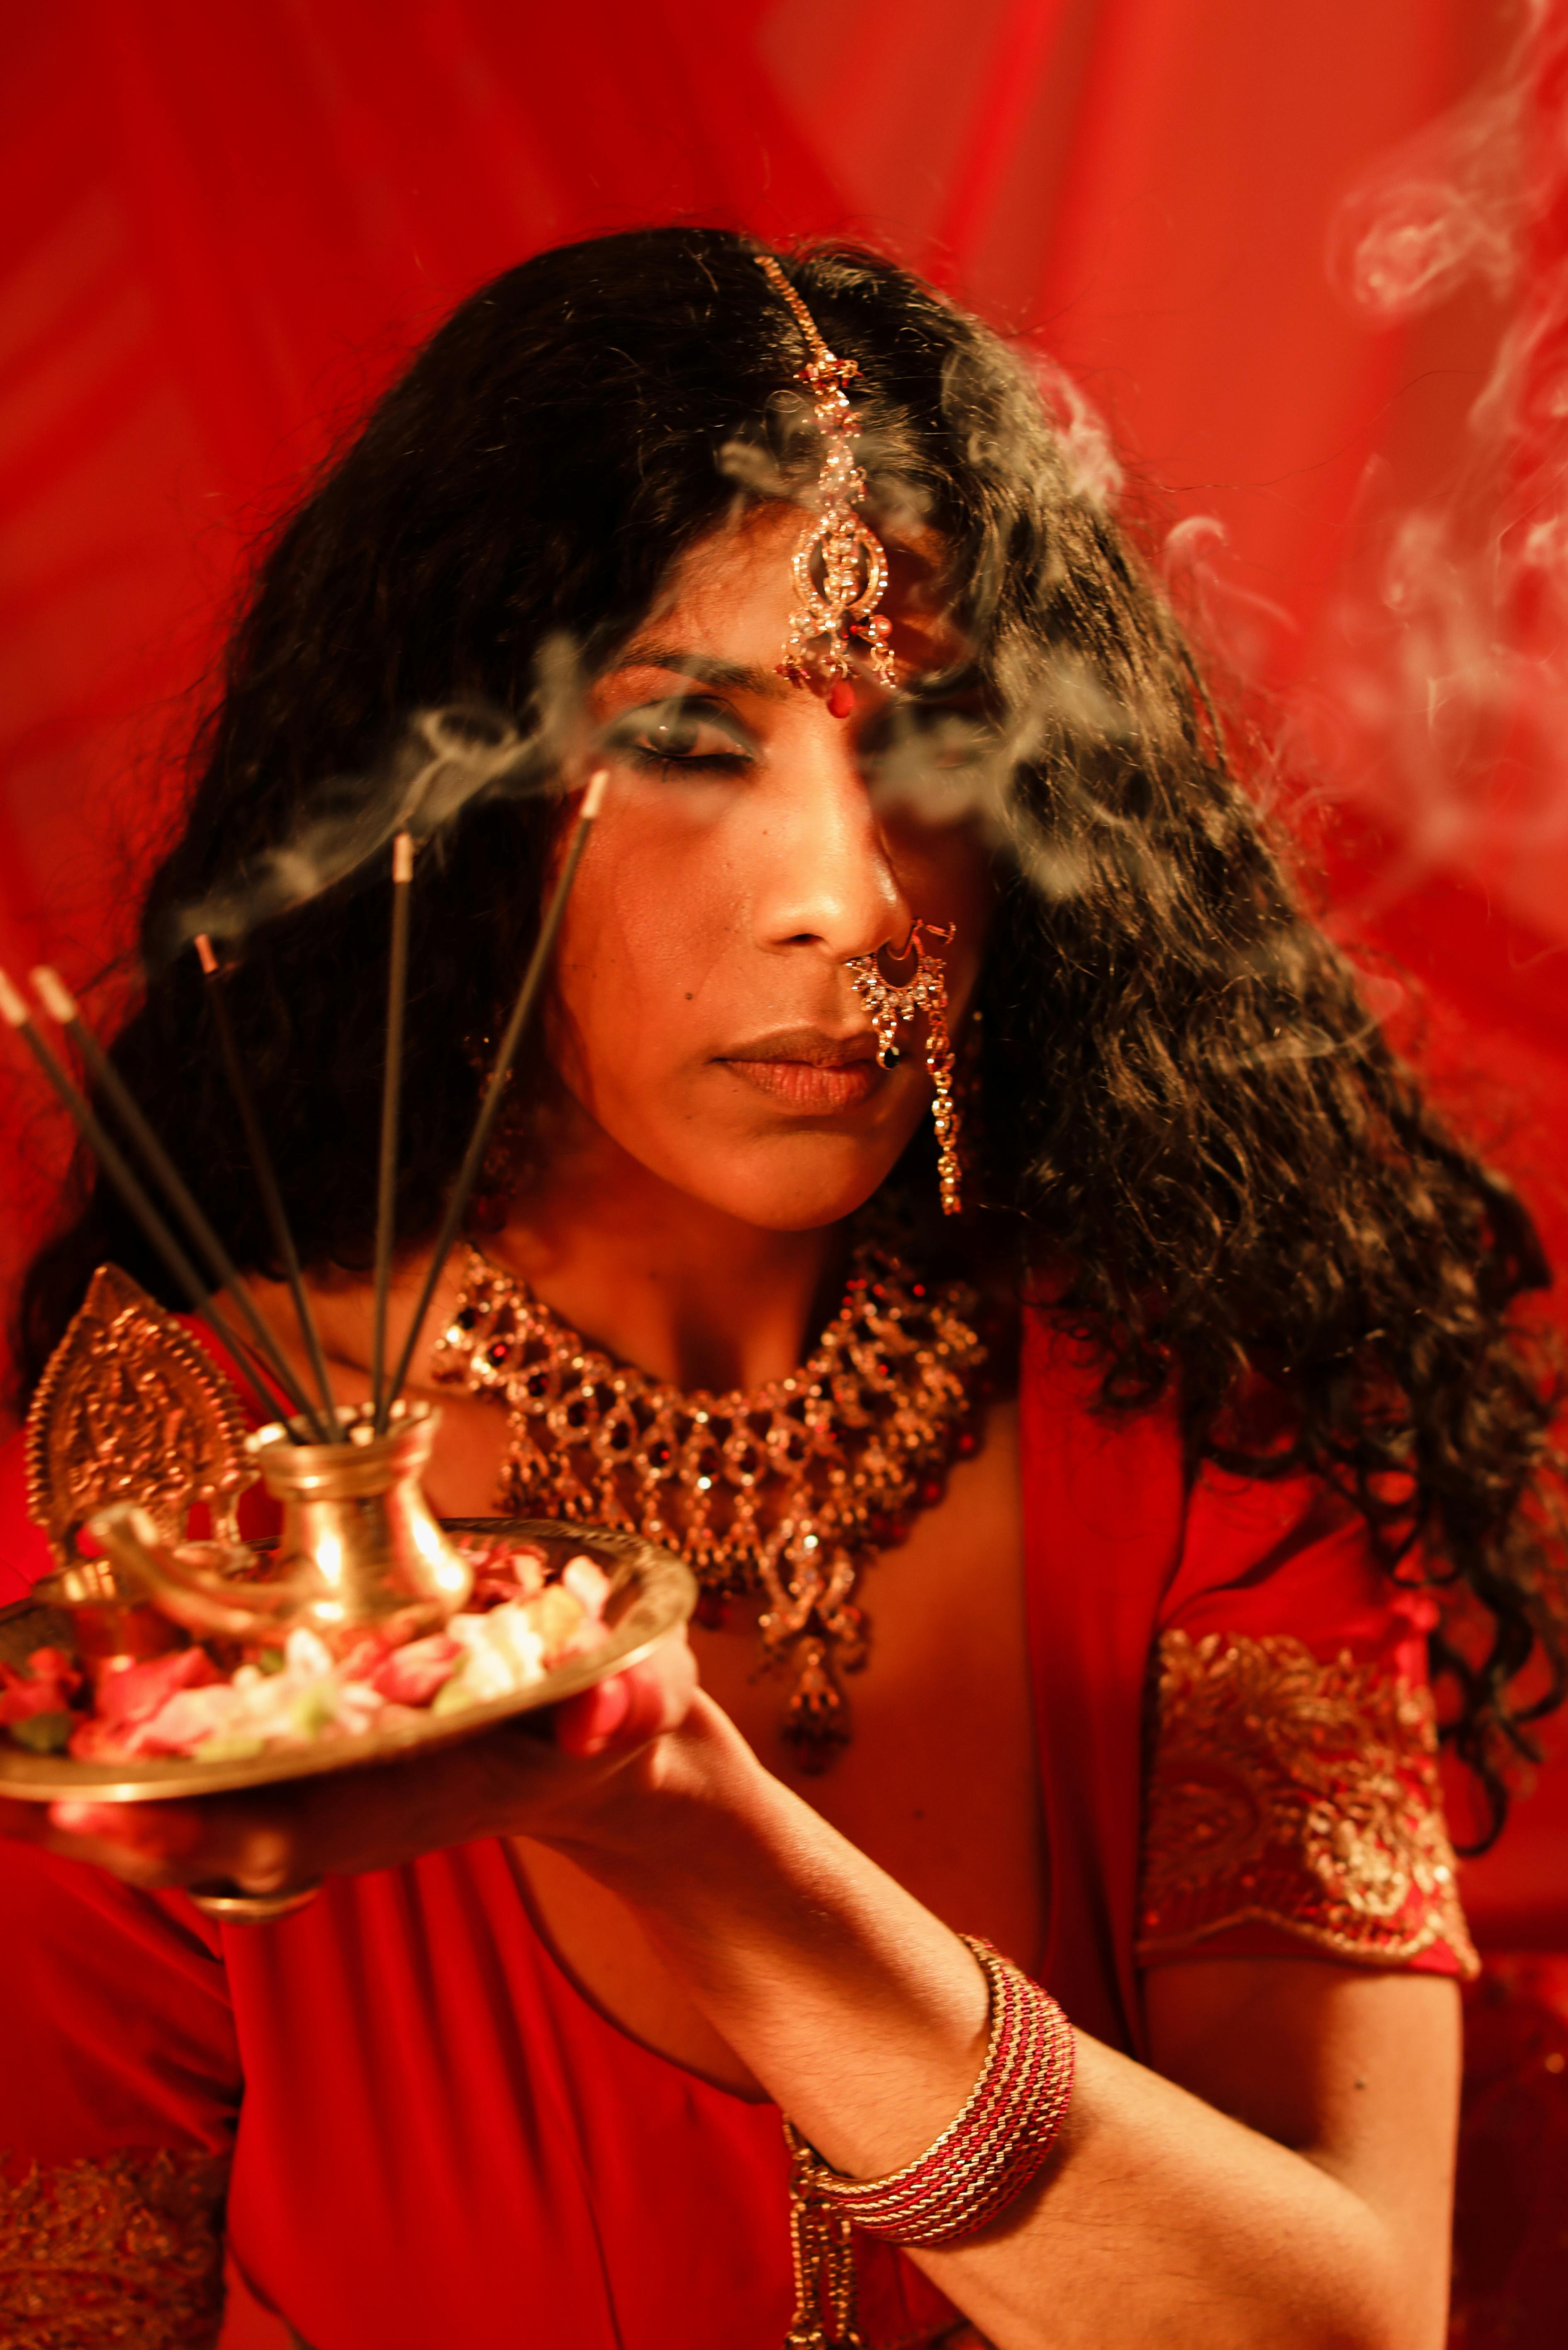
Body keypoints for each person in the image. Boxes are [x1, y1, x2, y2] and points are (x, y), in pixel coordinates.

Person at [0, 227, 1560, 2350]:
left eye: (928, 746)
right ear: (456, 797)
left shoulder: (1192, 1399)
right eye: (690, 739)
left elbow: (1341, 2322)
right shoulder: (182, 1504)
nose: (843, 901)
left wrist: (686, 1833)